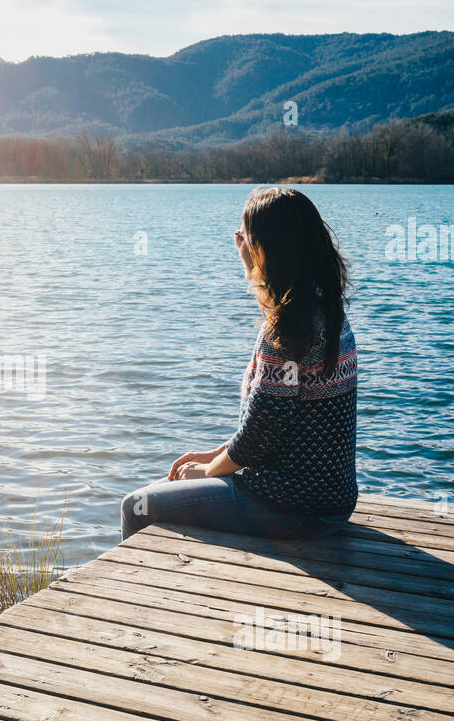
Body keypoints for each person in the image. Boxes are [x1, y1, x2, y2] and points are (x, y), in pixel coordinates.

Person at [120, 186, 358, 541]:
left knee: (136, 505)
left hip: (291, 508)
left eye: (242, 237)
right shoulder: (330, 314)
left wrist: (208, 473)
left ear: (268, 248)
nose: (239, 246)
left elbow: (258, 437)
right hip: (333, 504)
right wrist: (215, 455)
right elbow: (270, 424)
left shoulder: (284, 332)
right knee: (174, 486)